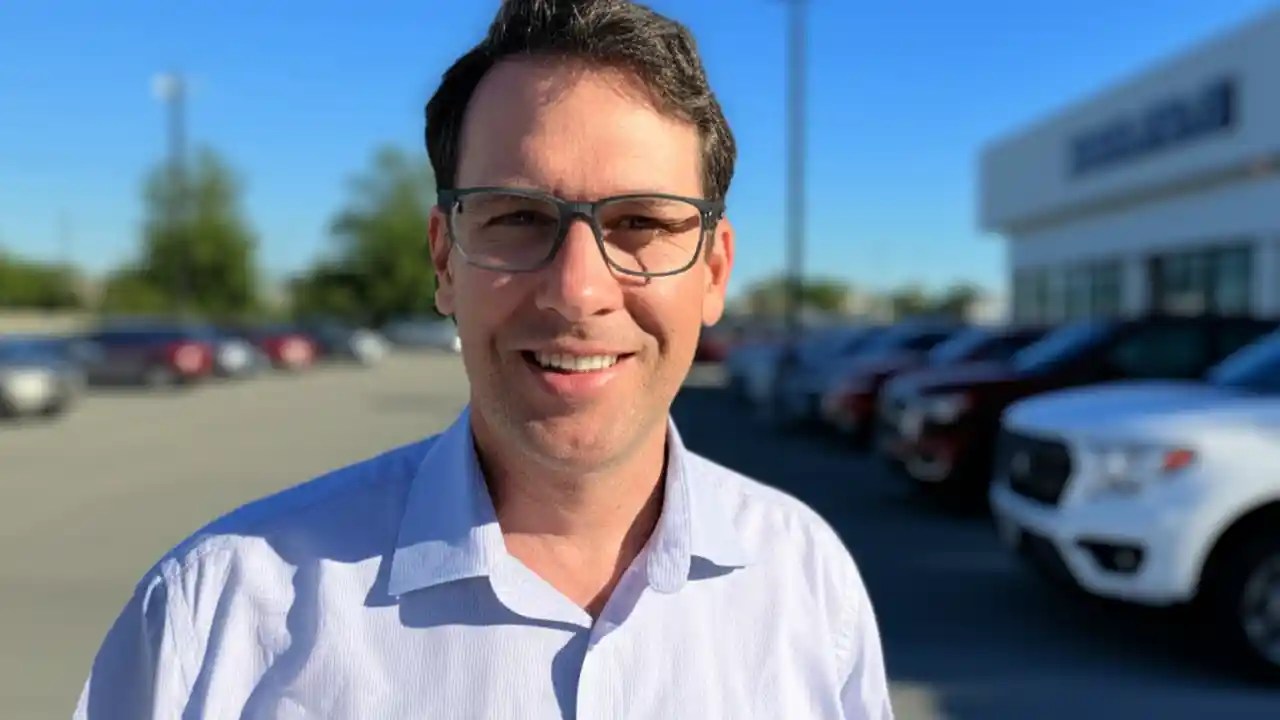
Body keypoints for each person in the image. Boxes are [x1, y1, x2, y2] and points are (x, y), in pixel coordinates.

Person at [74, 0, 894, 717]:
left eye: (641, 223)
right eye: (516, 217)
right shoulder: (217, 616)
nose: (579, 290)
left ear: (714, 271)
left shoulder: (806, 580)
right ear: (444, 260)